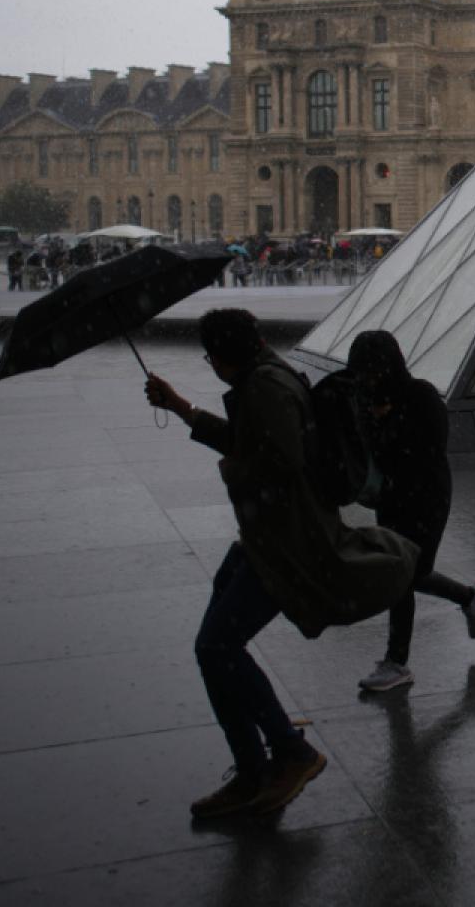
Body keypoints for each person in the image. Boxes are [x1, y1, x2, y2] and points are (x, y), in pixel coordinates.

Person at [143, 309, 339, 819]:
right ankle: (253, 767)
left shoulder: (267, 388)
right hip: (264, 538)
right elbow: (258, 442)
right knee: (215, 649)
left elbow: (283, 461)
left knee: (216, 647)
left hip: (286, 544)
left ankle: (289, 754)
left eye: (211, 359)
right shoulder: (263, 377)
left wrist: (235, 473)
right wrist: (183, 409)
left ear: (219, 359)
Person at [348, 330, 475, 693]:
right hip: (391, 500)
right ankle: (468, 597)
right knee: (408, 572)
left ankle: (397, 662)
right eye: (363, 372)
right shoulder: (365, 401)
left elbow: (427, 452)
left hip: (427, 499)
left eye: (373, 371)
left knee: (406, 574)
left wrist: (388, 423)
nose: (369, 379)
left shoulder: (422, 396)